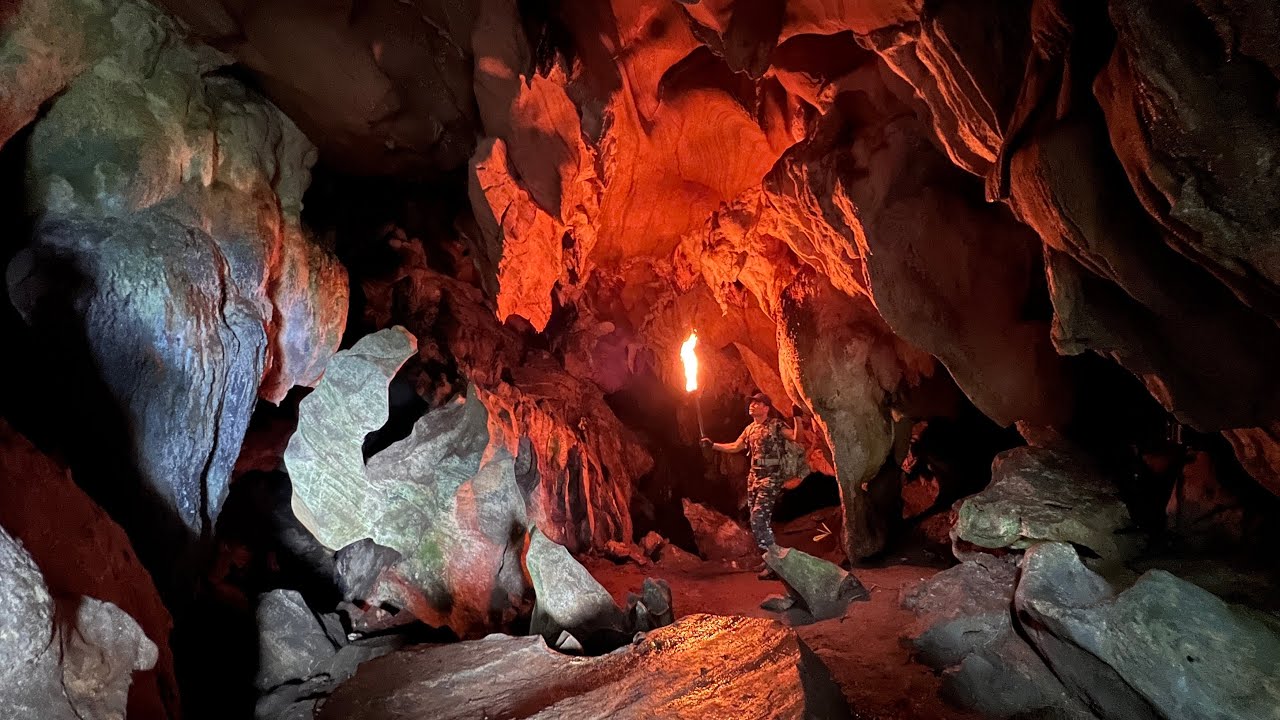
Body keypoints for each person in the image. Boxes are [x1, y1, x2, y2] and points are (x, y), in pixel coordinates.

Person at [701, 392, 800, 579]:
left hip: (770, 479)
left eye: (757, 403)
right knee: (758, 523)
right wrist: (713, 445)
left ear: (766, 408)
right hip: (754, 479)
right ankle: (769, 558)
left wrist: (797, 418)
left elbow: (796, 437)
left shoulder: (776, 426)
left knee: (758, 520)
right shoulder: (749, 429)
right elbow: (736, 447)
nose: (752, 405)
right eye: (751, 403)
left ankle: (776, 563)